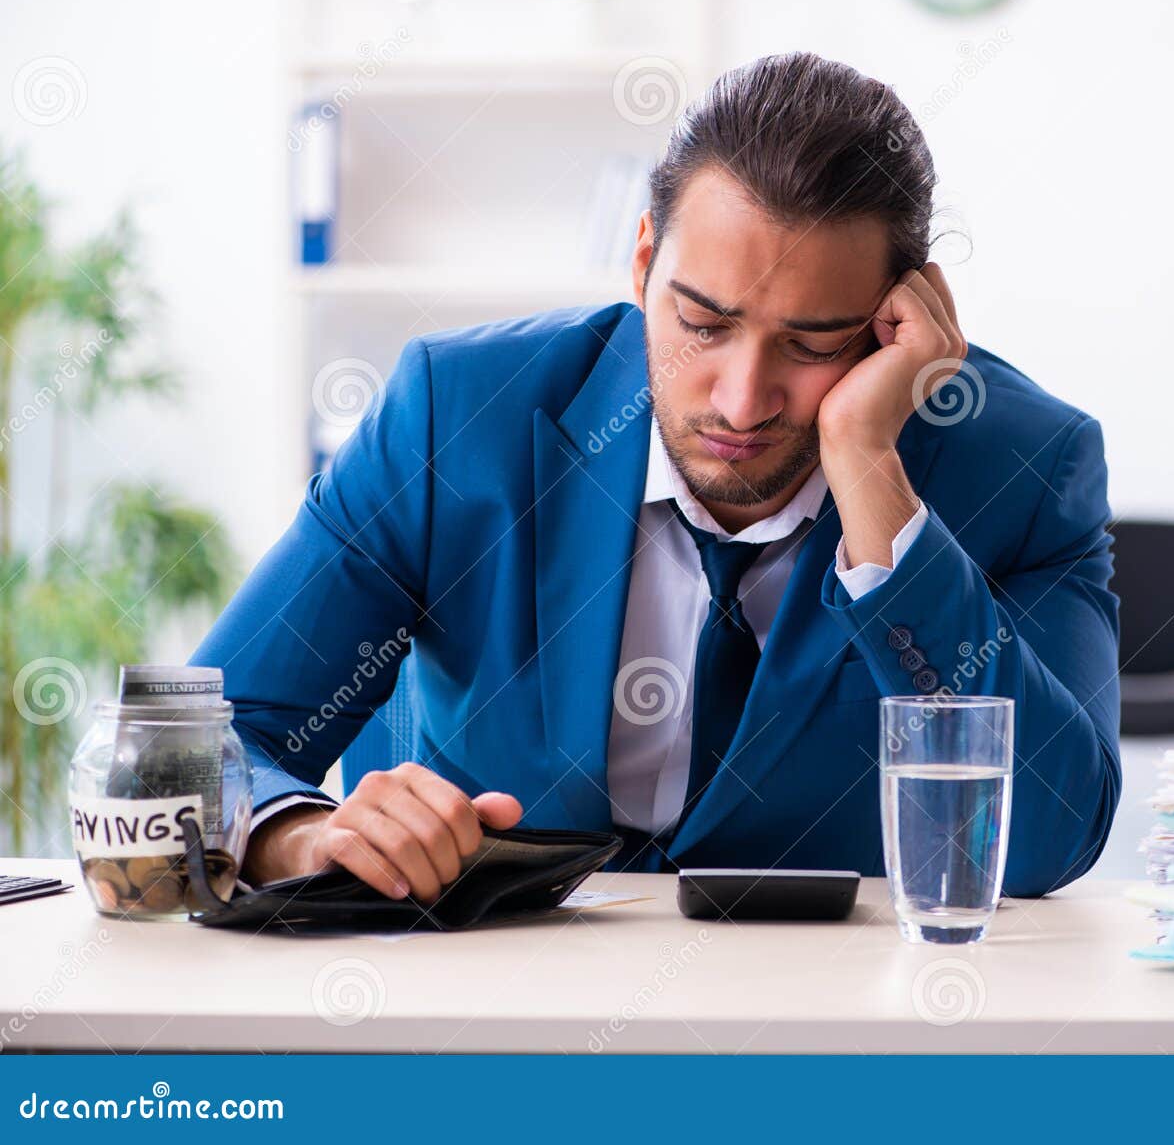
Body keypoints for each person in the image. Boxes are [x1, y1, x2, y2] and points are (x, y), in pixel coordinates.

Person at [192, 51, 1120, 903]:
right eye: (703, 325)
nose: (742, 399)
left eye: (813, 342)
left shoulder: (1024, 467)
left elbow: (1048, 836)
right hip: (490, 1017)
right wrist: (301, 836)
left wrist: (874, 475)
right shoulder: (457, 415)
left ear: (895, 321)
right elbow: (194, 747)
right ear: (642, 263)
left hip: (830, 1031)